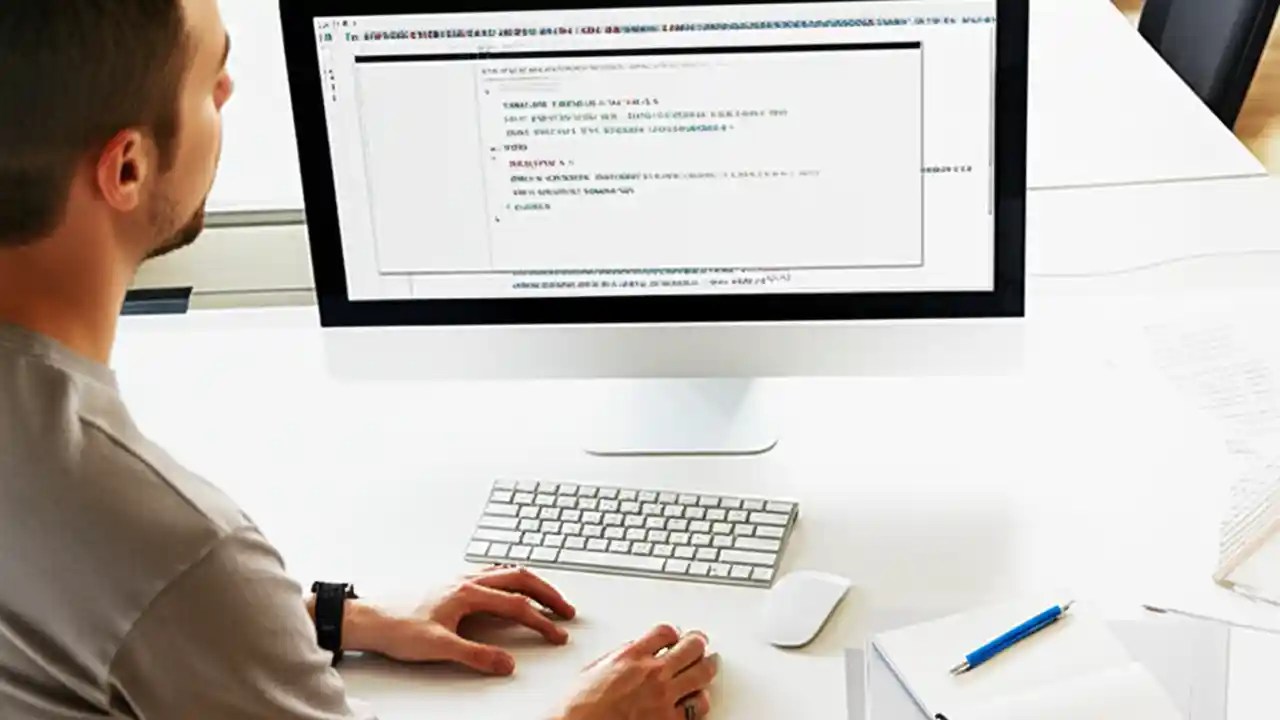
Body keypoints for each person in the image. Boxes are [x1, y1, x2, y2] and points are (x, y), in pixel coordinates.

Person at [0, 1, 719, 718]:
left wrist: (324, 618)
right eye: (209, 81)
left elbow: (79, 612)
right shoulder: (173, 545)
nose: (229, 92)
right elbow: (153, 582)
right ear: (127, 167)